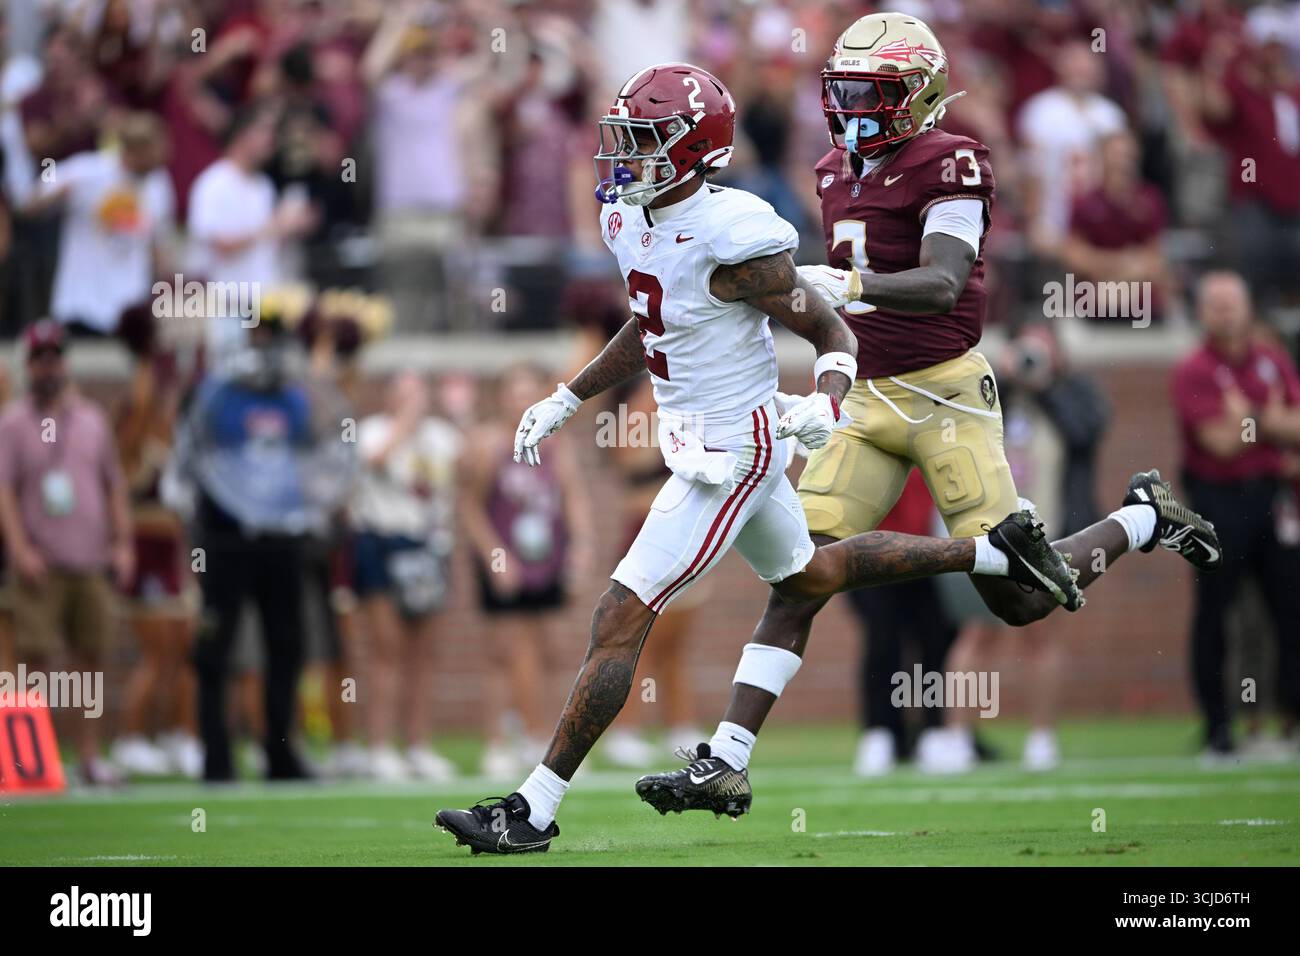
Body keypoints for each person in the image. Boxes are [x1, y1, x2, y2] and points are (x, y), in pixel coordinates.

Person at [435, 62, 1081, 854]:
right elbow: (654, 320)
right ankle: (988, 552)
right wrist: (570, 397)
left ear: (693, 149)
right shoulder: (628, 219)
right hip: (702, 439)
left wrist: (828, 400)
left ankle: (533, 810)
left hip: (733, 450)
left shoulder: (735, 233)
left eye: (644, 139)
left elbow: (831, 330)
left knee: (619, 615)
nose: (625, 154)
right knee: (810, 575)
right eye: (625, 137)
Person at [638, 13, 1221, 819]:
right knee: (798, 573)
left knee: (1021, 598)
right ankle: (726, 761)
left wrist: (844, 287)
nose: (848, 108)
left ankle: (1139, 519)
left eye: (867, 93)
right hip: (868, 394)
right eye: (840, 90)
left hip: (945, 391)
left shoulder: (953, 161)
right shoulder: (832, 167)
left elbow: (945, 280)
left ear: (919, 97)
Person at [167, 316, 324, 781]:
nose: (262, 350)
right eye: (254, 338)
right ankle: (216, 757)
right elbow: (191, 461)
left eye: (270, 339)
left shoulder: (292, 398)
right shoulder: (214, 397)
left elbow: (307, 458)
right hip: (225, 537)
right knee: (214, 648)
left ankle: (280, 753)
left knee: (286, 646)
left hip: (280, 537)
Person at [1171, 271, 1300, 757]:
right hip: (1218, 502)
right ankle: (1218, 727)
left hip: (1273, 498)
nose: (1225, 312)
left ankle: (1290, 719)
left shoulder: (1271, 360)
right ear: (1202, 312)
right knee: (1215, 616)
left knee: (1290, 612)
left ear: (1248, 308)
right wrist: (1272, 426)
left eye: (1232, 302)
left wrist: (1251, 415)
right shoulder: (1193, 369)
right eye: (1215, 304)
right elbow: (1221, 443)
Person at [0, 320, 134, 785]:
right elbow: (5, 492)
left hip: (90, 559)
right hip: (41, 561)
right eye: (39, 358)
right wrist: (19, 548)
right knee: (34, 663)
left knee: (92, 661)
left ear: (64, 362)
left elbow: (113, 485)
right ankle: (36, 759)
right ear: (28, 365)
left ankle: (90, 757)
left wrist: (123, 543)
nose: (47, 366)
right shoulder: (12, 423)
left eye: (54, 357)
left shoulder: (92, 419)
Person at [460, 363, 592, 780]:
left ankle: (543, 736)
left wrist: (581, 549)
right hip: (505, 561)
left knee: (549, 648)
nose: (521, 400)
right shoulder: (487, 443)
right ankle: (500, 742)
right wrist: (496, 558)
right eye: (513, 391)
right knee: (505, 652)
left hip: (545, 557)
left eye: (529, 392)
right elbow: (469, 507)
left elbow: (574, 500)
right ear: (500, 396)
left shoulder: (556, 444)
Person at [349, 370, 460, 782]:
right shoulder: (373, 430)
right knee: (386, 650)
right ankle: (379, 747)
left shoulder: (443, 437)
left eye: (419, 391)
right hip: (382, 542)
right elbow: (376, 460)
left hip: (426, 546)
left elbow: (460, 479)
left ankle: (418, 745)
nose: (414, 399)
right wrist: (405, 425)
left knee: (422, 653)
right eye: (404, 391)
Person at [109, 305, 202, 778]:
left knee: (184, 647)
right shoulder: (139, 400)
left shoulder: (162, 401)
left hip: (171, 544)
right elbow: (125, 475)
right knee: (155, 651)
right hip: (147, 544)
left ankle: (182, 736)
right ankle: (128, 739)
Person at [22, 112, 175, 337]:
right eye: (154, 155)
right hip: (82, 305)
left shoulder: (159, 184)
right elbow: (30, 203)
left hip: (129, 307)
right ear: (135, 151)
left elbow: (157, 243)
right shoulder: (88, 170)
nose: (160, 161)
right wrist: (58, 193)